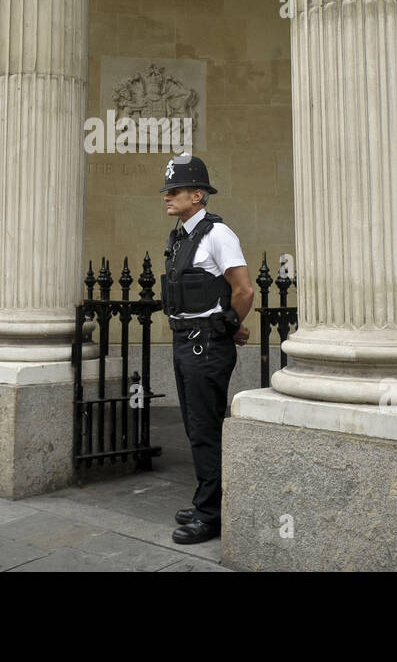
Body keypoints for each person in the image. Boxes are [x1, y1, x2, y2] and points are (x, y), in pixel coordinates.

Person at [159, 152, 253, 544]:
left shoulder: (217, 234)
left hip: (204, 345)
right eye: (166, 190)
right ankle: (206, 500)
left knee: (205, 428)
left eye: (175, 190)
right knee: (196, 427)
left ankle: (211, 515)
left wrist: (227, 326)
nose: (167, 196)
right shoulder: (181, 236)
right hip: (187, 340)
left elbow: (244, 289)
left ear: (197, 195)